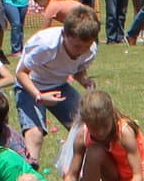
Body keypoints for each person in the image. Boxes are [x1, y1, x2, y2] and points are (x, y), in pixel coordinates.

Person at [14, 10, 100, 157]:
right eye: (77, 46)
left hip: (59, 86)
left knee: (86, 126)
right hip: (31, 85)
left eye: (86, 46)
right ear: (64, 35)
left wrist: (84, 80)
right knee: (35, 135)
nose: (81, 51)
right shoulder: (45, 45)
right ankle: (29, 174)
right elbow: (21, 73)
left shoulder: (90, 50)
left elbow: (76, 69)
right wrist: (39, 96)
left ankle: (77, 171)